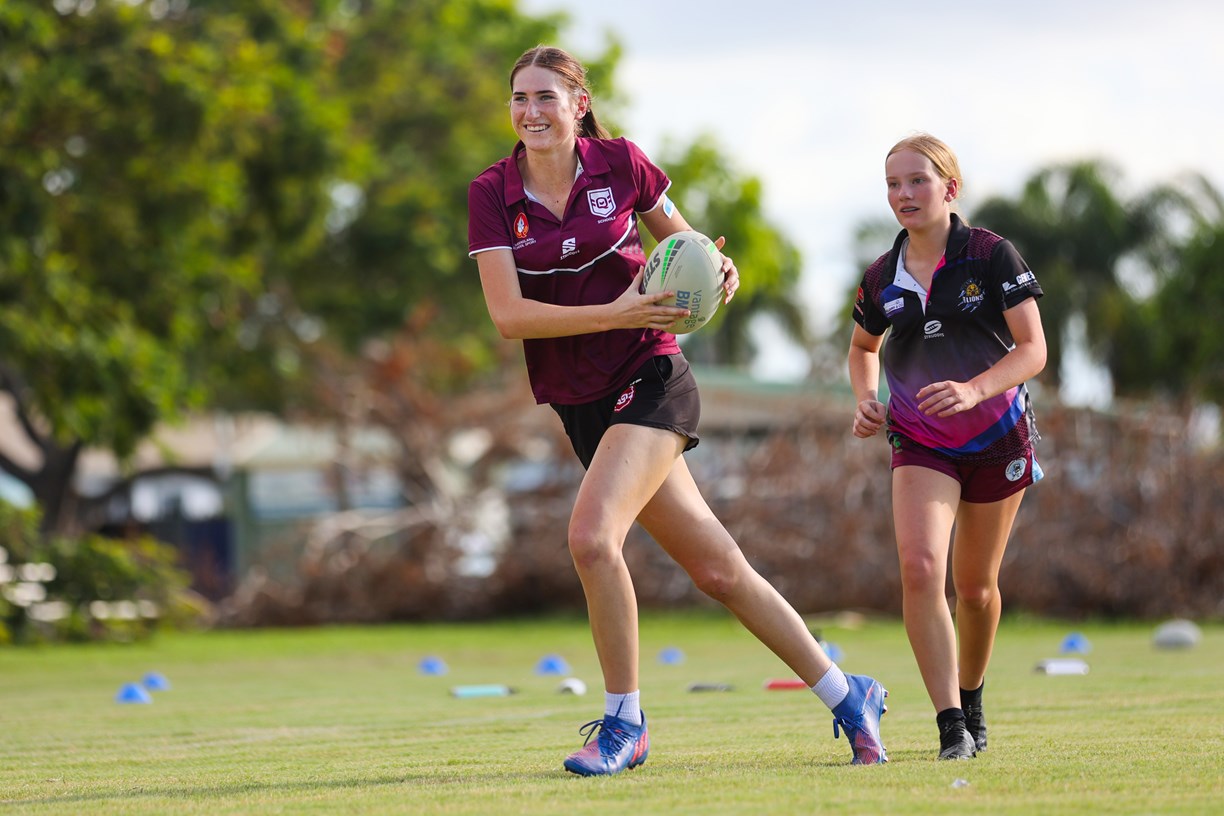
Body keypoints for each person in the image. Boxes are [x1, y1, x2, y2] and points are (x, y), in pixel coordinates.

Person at [468, 45, 888, 776]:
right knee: (720, 571)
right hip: (581, 403)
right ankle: (848, 693)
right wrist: (614, 308)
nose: (530, 111)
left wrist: (718, 269)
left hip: (651, 373)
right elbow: (509, 316)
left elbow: (687, 248)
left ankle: (624, 723)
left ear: (579, 105)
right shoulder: (491, 192)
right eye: (520, 98)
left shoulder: (622, 163)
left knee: (593, 538)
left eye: (545, 97)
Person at [847, 133, 1047, 760]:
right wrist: (864, 397)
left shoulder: (991, 255)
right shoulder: (881, 276)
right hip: (920, 439)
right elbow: (862, 348)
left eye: (916, 181)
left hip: (997, 436)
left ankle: (974, 693)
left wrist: (974, 389)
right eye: (892, 184)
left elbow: (1033, 350)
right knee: (921, 569)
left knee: (977, 589)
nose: (902, 194)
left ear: (949, 188)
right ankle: (951, 726)